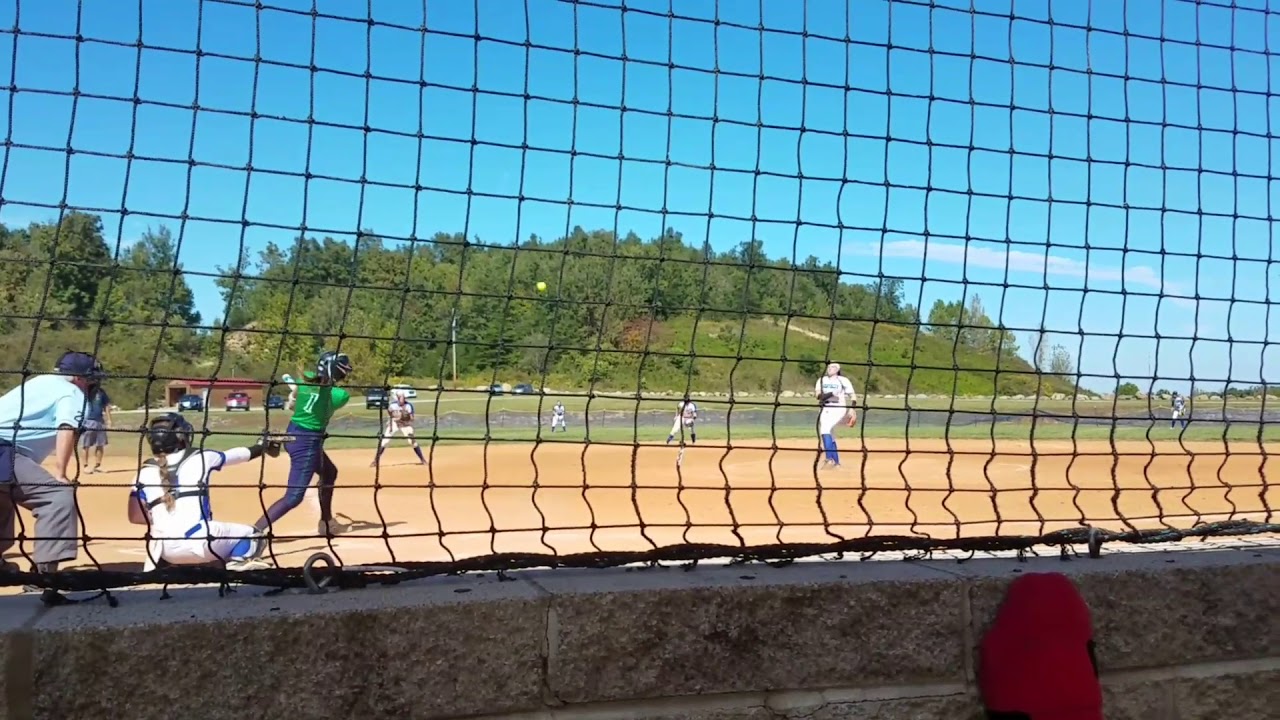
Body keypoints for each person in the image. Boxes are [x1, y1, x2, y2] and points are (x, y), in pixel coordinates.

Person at [127, 413, 278, 571]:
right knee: (254, 534)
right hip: (201, 543)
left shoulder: (142, 473)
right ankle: (238, 562)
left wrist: (165, 516)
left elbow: (136, 517)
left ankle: (175, 566)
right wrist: (262, 445)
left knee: (169, 531)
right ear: (180, 436)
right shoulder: (200, 456)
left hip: (163, 551)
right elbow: (238, 455)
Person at [0, 350, 104, 575]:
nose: (92, 384)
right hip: (3, 450)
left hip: (6, 452)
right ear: (79, 377)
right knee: (56, 495)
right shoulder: (72, 393)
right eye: (91, 378)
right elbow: (66, 427)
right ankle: (45, 576)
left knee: (3, 499)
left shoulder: (38, 381)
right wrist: (60, 473)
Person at [253, 350, 353, 537]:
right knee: (293, 498)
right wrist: (297, 397)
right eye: (343, 370)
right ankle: (251, 533)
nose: (345, 374)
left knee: (329, 472)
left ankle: (325, 521)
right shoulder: (339, 395)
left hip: (293, 434)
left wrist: (293, 399)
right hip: (308, 444)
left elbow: (306, 387)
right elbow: (321, 395)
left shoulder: (305, 380)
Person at [815, 362, 857, 469]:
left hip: (839, 407)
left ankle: (829, 459)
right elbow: (818, 396)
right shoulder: (822, 380)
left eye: (833, 367)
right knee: (829, 433)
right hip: (826, 408)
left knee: (825, 429)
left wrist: (852, 409)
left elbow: (853, 395)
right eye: (829, 367)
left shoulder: (843, 380)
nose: (830, 368)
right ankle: (836, 463)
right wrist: (831, 393)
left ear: (838, 369)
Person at [371, 390, 426, 466]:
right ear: (397, 398)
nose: (402, 399)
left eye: (403, 397)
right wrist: (390, 422)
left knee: (412, 441)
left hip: (405, 424)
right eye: (400, 397)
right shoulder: (393, 405)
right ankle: (375, 461)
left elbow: (412, 418)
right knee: (385, 441)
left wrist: (405, 417)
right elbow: (390, 413)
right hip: (394, 423)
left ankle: (422, 459)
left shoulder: (408, 406)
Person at [80, 384, 112, 474]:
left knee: (100, 444)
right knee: (86, 445)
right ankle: (85, 466)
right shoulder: (84, 391)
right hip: (88, 421)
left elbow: (106, 406)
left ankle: (98, 465)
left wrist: (109, 419)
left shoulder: (101, 392)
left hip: (99, 421)